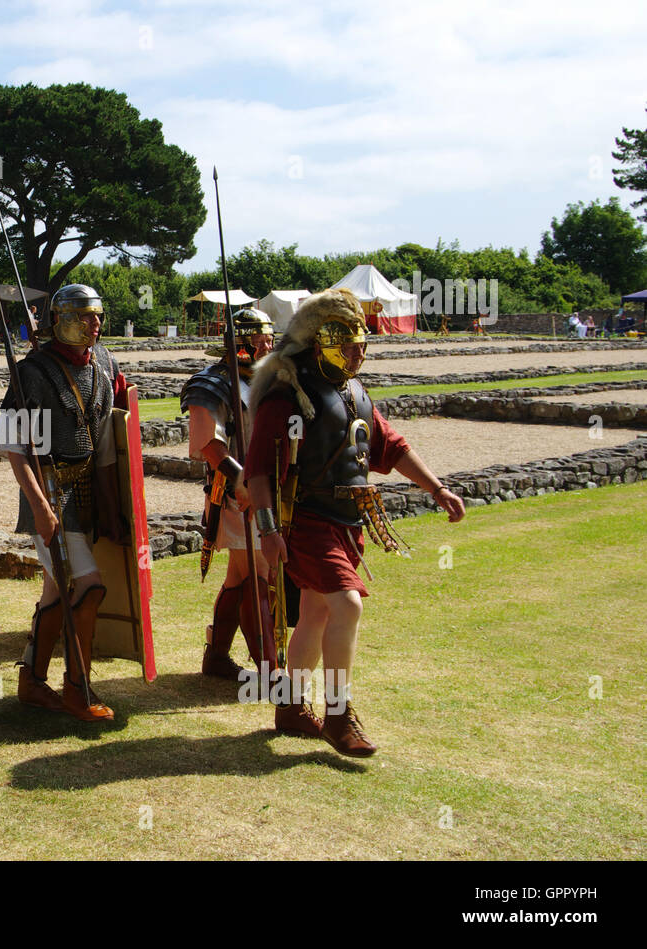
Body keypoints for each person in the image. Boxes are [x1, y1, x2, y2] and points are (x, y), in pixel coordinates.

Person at [245, 288, 465, 757]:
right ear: (322, 341)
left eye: (362, 345)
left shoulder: (354, 392)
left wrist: (437, 488)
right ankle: (338, 714)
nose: (358, 353)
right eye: (349, 346)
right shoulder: (287, 394)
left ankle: (288, 705)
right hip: (305, 520)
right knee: (347, 605)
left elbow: (393, 447)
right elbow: (258, 469)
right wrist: (267, 530)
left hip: (348, 521)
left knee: (316, 613)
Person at [2, 284, 129, 722]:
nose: (96, 324)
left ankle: (32, 682)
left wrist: (112, 508)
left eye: (98, 316)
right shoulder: (32, 372)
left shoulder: (102, 365)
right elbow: (12, 445)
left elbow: (107, 443)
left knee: (58, 588)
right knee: (89, 586)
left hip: (86, 493)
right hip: (49, 490)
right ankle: (78, 690)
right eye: (85, 317)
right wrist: (39, 506)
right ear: (62, 320)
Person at [180, 308, 277, 682]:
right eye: (259, 339)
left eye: (269, 338)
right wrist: (245, 483)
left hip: (266, 492)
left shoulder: (269, 380)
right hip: (235, 495)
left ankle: (217, 657)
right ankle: (271, 669)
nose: (268, 345)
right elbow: (210, 446)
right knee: (258, 572)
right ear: (239, 343)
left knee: (241, 574)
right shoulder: (213, 384)